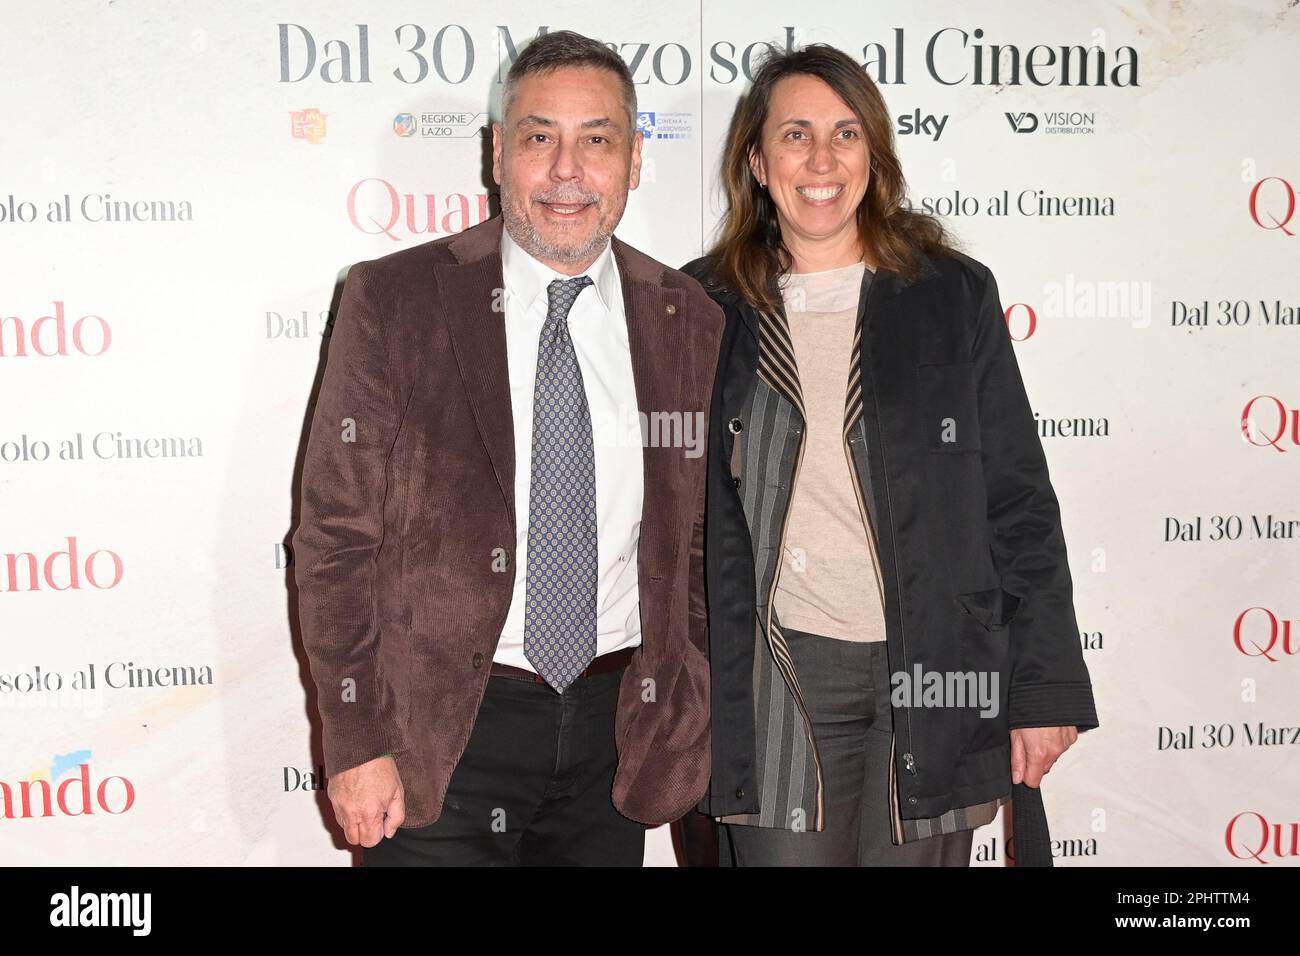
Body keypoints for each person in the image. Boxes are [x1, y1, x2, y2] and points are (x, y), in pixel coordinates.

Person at [292, 29, 723, 866]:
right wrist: (354, 740)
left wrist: (691, 710)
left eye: (596, 139)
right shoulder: (397, 300)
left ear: (635, 159)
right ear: (498, 153)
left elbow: (700, 541)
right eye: (538, 137)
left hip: (615, 735)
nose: (568, 170)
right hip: (441, 737)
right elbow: (334, 538)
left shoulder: (687, 319)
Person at [681, 44, 1099, 866]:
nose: (822, 159)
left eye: (846, 134)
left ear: (875, 154)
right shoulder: (705, 306)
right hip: (776, 677)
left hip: (937, 670)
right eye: (795, 135)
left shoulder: (950, 293)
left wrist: (1042, 687)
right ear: (758, 162)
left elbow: (1016, 497)